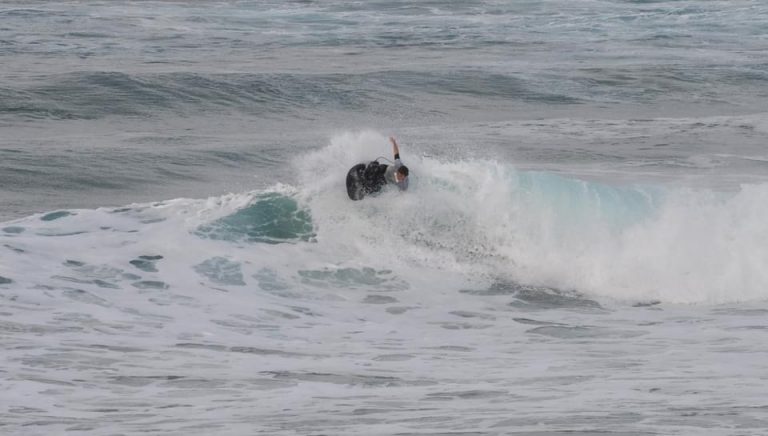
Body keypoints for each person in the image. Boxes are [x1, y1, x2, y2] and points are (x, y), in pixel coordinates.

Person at [346, 136, 410, 201]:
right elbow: (396, 154)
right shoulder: (398, 165)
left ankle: (363, 190)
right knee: (373, 171)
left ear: (405, 177)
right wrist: (394, 143)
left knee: (374, 187)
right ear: (398, 171)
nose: (400, 178)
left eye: (403, 177)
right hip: (384, 169)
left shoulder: (404, 185)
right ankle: (363, 173)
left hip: (385, 179)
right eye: (400, 175)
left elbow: (403, 195)